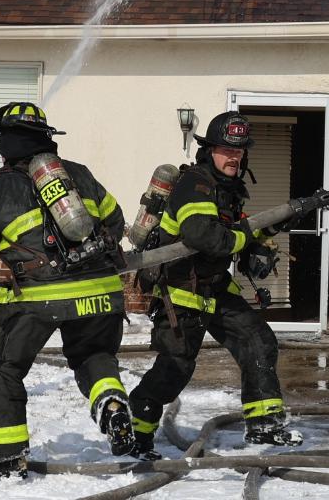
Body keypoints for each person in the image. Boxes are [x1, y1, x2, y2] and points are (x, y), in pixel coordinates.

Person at [0, 102, 134, 479]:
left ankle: (6, 459)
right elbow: (116, 222)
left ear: (5, 144)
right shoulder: (80, 175)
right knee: (93, 354)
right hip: (102, 290)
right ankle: (110, 401)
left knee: (0, 365)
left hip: (38, 296)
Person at [128, 111, 301, 460]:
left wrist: (270, 229)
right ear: (209, 150)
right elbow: (204, 236)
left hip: (215, 287)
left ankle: (265, 426)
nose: (234, 156)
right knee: (176, 367)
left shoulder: (227, 189)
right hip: (183, 293)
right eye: (226, 149)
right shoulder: (196, 185)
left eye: (239, 151)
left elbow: (237, 230)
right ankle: (136, 430)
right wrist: (243, 237)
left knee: (258, 341)